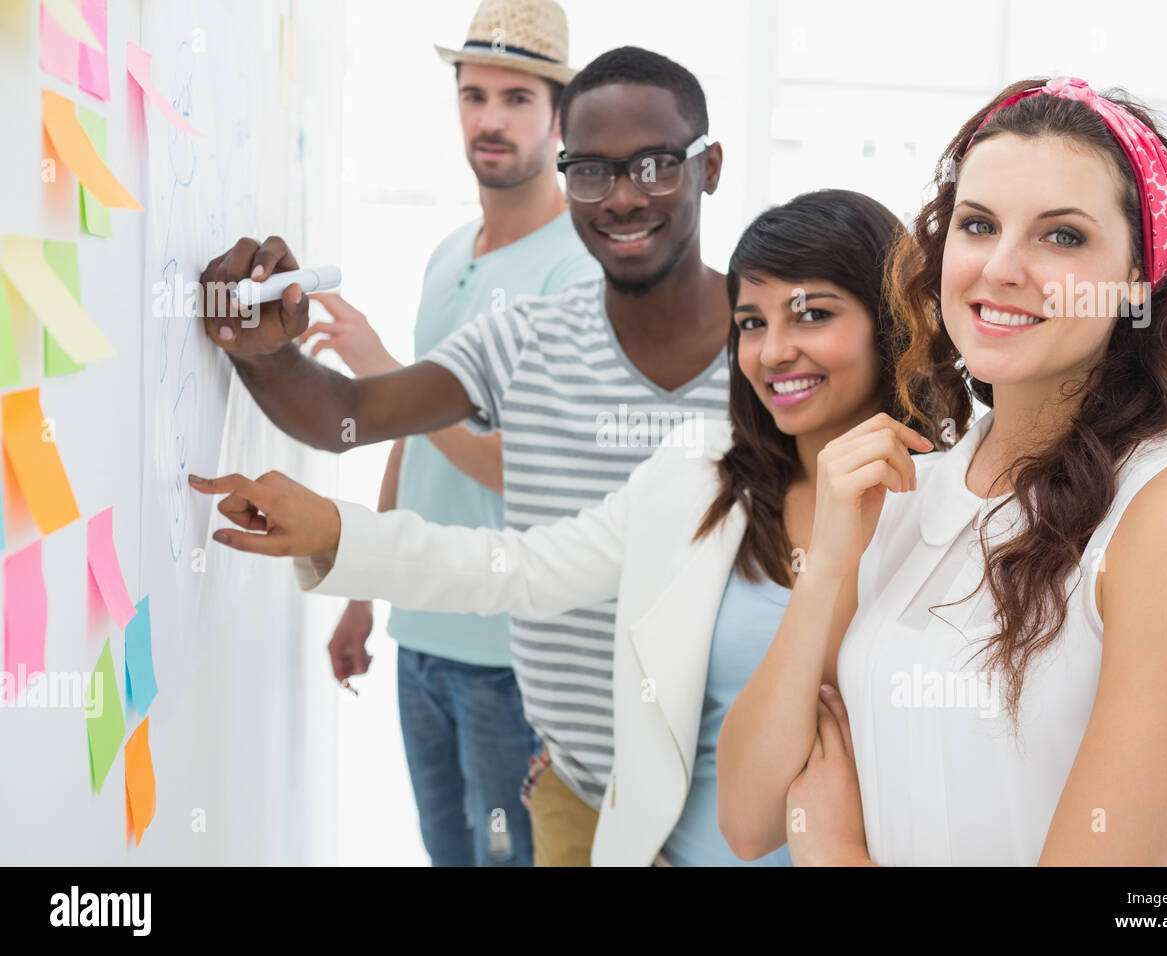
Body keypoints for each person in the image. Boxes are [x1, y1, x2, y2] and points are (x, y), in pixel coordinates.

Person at [191, 189, 921, 865]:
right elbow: (524, 568)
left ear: (893, 322)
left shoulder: (958, 512)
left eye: (813, 314)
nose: (772, 350)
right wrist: (335, 532)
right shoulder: (701, 473)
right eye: (752, 322)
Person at [718, 76, 1167, 867]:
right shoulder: (909, 486)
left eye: (1063, 236)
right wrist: (825, 569)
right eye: (978, 224)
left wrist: (838, 856)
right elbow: (749, 819)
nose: (1000, 267)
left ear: (1138, 280)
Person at [198, 46, 731, 865]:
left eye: (656, 167)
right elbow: (352, 414)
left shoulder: (770, 354)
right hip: (573, 785)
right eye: (591, 172)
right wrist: (263, 353)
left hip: (727, 803)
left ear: (711, 167)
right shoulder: (527, 336)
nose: (624, 198)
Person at [291, 0, 600, 868]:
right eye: (473, 96)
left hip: (511, 655)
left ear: (559, 117)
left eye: (515, 98)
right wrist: (363, 589)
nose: (489, 119)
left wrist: (388, 375)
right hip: (419, 637)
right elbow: (408, 438)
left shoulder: (580, 273)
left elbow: (538, 471)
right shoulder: (446, 253)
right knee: (447, 856)